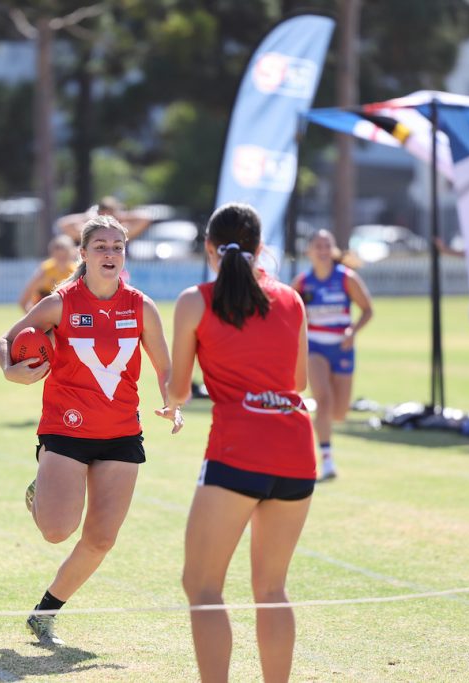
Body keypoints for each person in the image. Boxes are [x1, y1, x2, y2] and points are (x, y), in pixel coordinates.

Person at [0, 214, 182, 647]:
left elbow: (166, 365)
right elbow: (8, 339)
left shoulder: (141, 306)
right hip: (66, 428)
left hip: (120, 432)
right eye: (101, 246)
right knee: (57, 531)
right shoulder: (61, 302)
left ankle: (44, 614)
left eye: (117, 246)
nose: (110, 254)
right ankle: (38, 489)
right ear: (83, 254)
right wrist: (11, 370)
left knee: (100, 540)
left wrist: (172, 403)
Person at [167, 203, 314, 683]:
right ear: (260, 246)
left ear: (210, 249)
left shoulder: (195, 299)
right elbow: (299, 381)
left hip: (238, 449)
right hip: (296, 448)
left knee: (202, 585)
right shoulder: (291, 298)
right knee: (272, 588)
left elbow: (180, 390)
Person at [292, 230, 373, 480]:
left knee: (338, 412)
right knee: (325, 400)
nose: (323, 250)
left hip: (343, 348)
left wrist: (352, 331)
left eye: (327, 245)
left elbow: (368, 310)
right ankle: (326, 460)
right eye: (318, 245)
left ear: (334, 249)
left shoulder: (347, 279)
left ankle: (307, 407)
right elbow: (287, 311)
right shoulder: (303, 283)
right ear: (309, 251)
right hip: (315, 348)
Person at [56, 197, 155, 244]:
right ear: (98, 214)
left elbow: (146, 218)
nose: (106, 220)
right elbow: (63, 224)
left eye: (110, 216)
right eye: (104, 216)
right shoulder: (90, 233)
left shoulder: (122, 231)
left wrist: (122, 216)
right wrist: (88, 217)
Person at [18, 234, 78, 312]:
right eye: (58, 256)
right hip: (43, 308)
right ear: (52, 254)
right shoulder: (45, 270)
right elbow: (25, 298)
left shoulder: (75, 271)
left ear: (73, 253)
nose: (61, 259)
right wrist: (31, 316)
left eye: (65, 256)